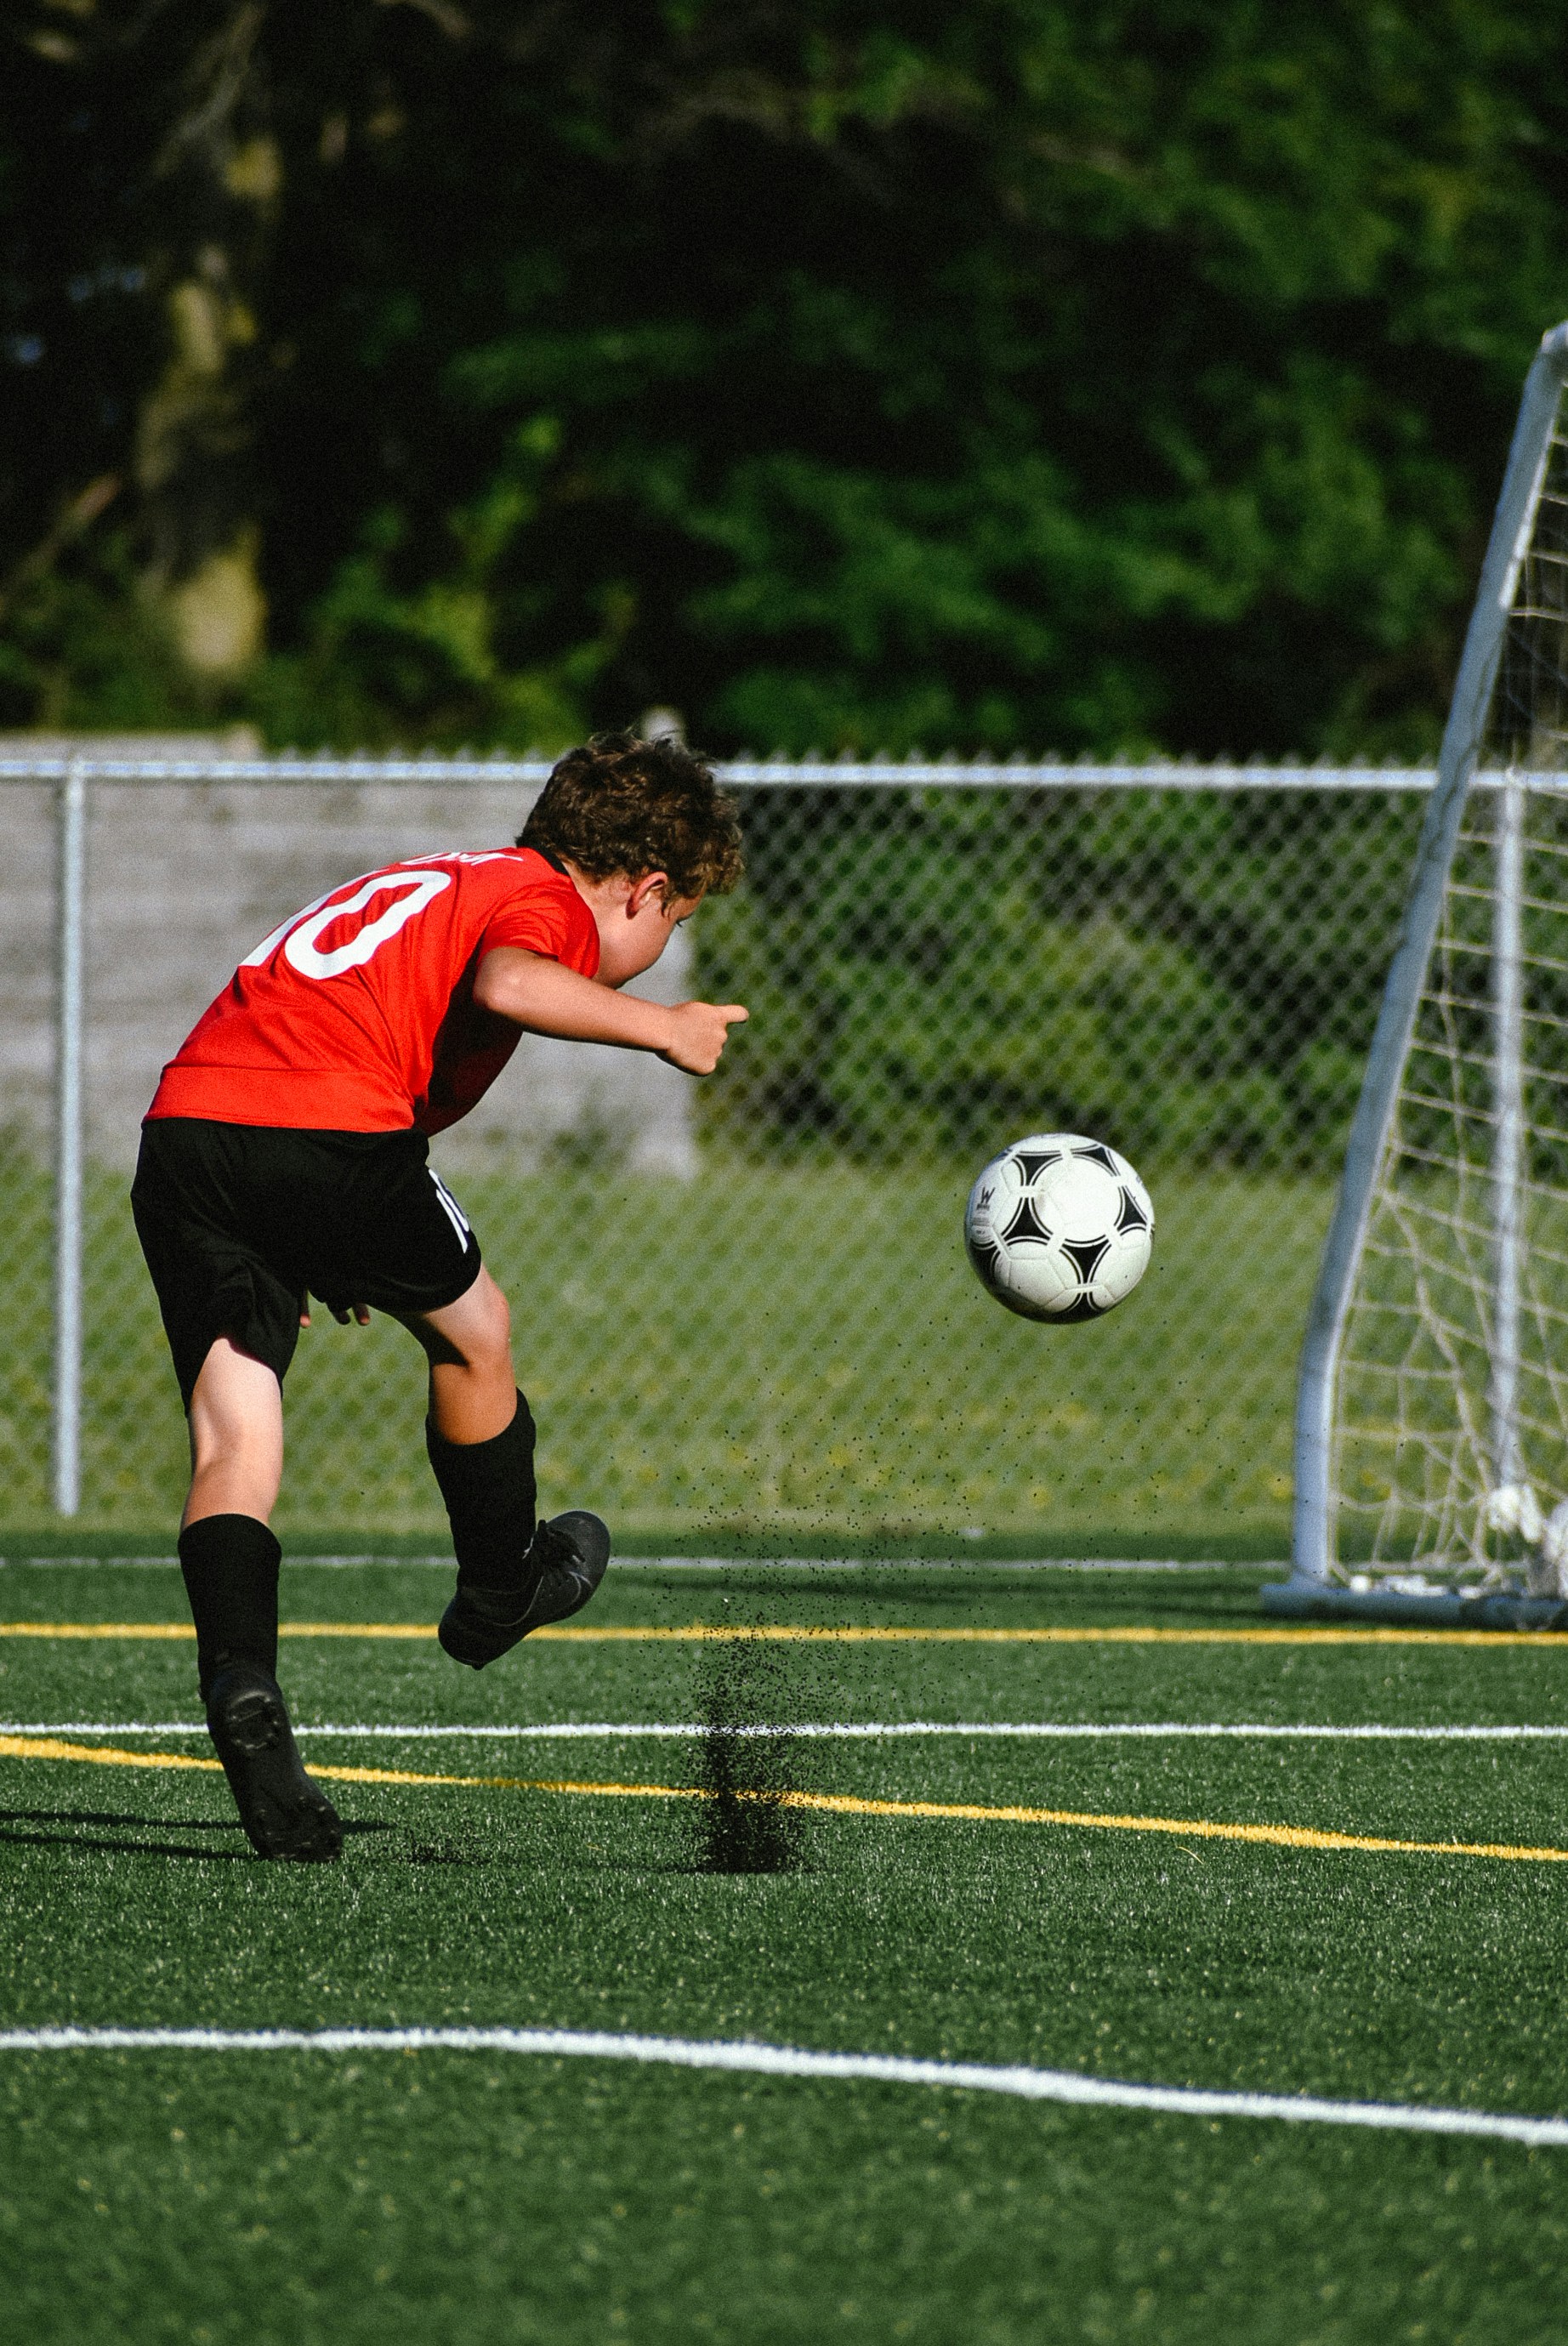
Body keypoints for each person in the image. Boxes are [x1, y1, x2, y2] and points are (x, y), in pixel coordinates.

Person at [131, 730, 747, 1862]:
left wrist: (326, 1233)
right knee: (479, 1330)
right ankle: (501, 1585)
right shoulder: (538, 904)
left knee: (234, 1426)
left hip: (189, 1131)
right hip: (326, 1126)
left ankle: (241, 1682)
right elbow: (513, 982)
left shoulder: (445, 878)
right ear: (644, 891)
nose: (666, 946)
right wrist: (663, 1029)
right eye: (677, 923)